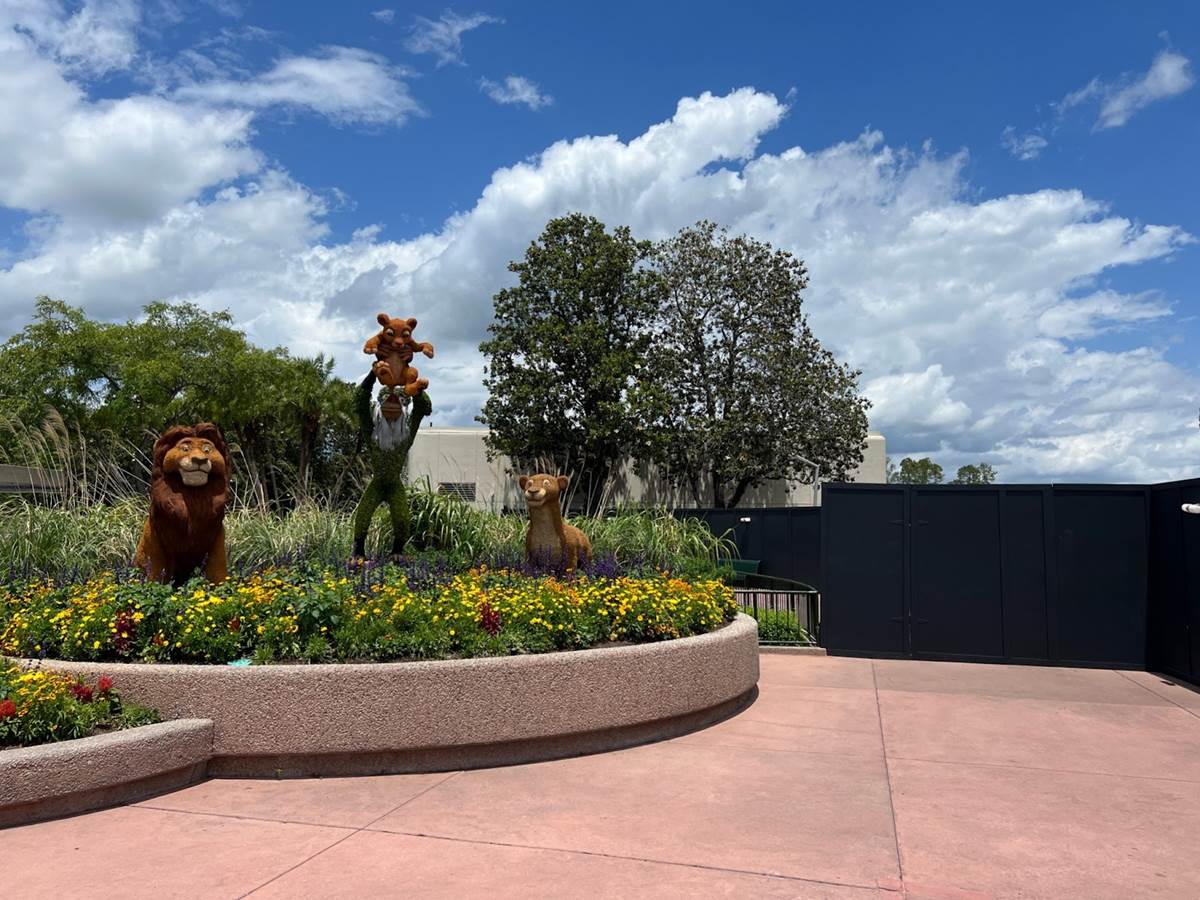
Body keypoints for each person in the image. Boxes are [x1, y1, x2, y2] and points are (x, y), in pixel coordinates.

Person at [350, 367, 431, 561]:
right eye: (387, 400)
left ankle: (398, 552)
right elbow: (359, 401)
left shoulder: (407, 434)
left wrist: (415, 388)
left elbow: (424, 408)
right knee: (363, 514)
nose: (393, 403)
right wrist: (372, 375)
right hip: (377, 484)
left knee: (402, 517)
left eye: (398, 401)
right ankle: (358, 551)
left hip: (395, 484)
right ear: (379, 406)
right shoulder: (372, 432)